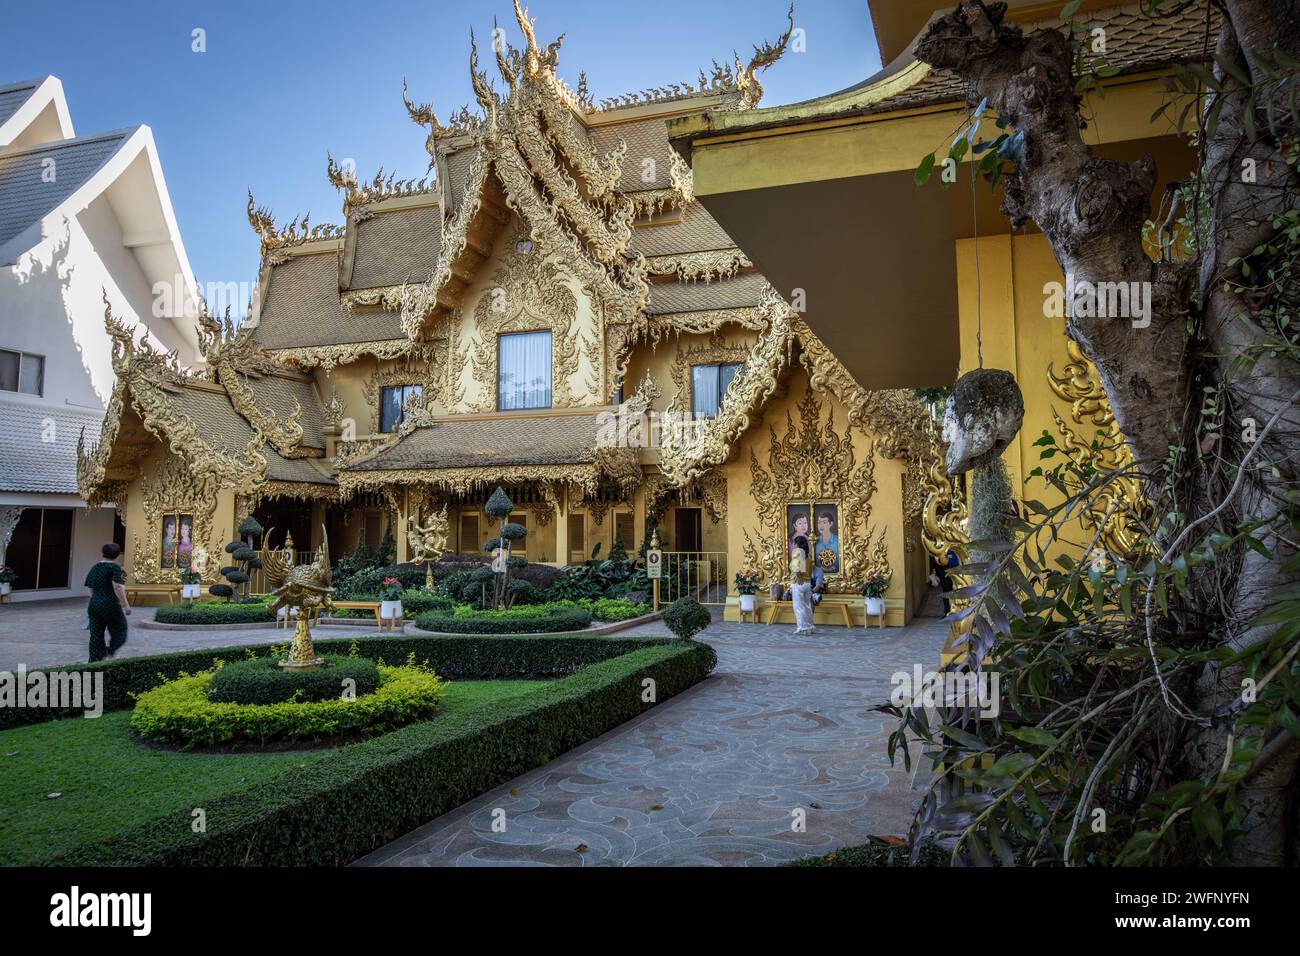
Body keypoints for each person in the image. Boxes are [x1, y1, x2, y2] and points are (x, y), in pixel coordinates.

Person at [85, 542, 130, 662]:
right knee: (120, 630)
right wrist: (126, 605)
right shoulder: (114, 567)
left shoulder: (95, 567)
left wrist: (95, 599)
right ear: (116, 555)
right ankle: (108, 653)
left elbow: (89, 586)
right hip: (109, 603)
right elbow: (117, 587)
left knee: (95, 635)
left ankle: (94, 660)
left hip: (94, 604)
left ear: (103, 553)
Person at [790, 535, 816, 635]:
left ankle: (802, 627)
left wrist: (799, 577)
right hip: (807, 583)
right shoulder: (808, 556)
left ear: (797, 544)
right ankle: (809, 626)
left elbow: (797, 568)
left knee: (799, 607)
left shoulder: (797, 553)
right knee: (807, 606)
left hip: (799, 583)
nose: (793, 545)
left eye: (794, 543)